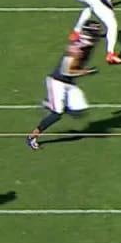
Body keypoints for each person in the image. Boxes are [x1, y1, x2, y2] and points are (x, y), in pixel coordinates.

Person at [28, 21, 102, 150]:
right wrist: (86, 72)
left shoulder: (86, 46)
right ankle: (33, 136)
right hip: (57, 82)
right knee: (57, 114)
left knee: (79, 110)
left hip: (68, 82)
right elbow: (66, 71)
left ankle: (52, 103)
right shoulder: (78, 50)